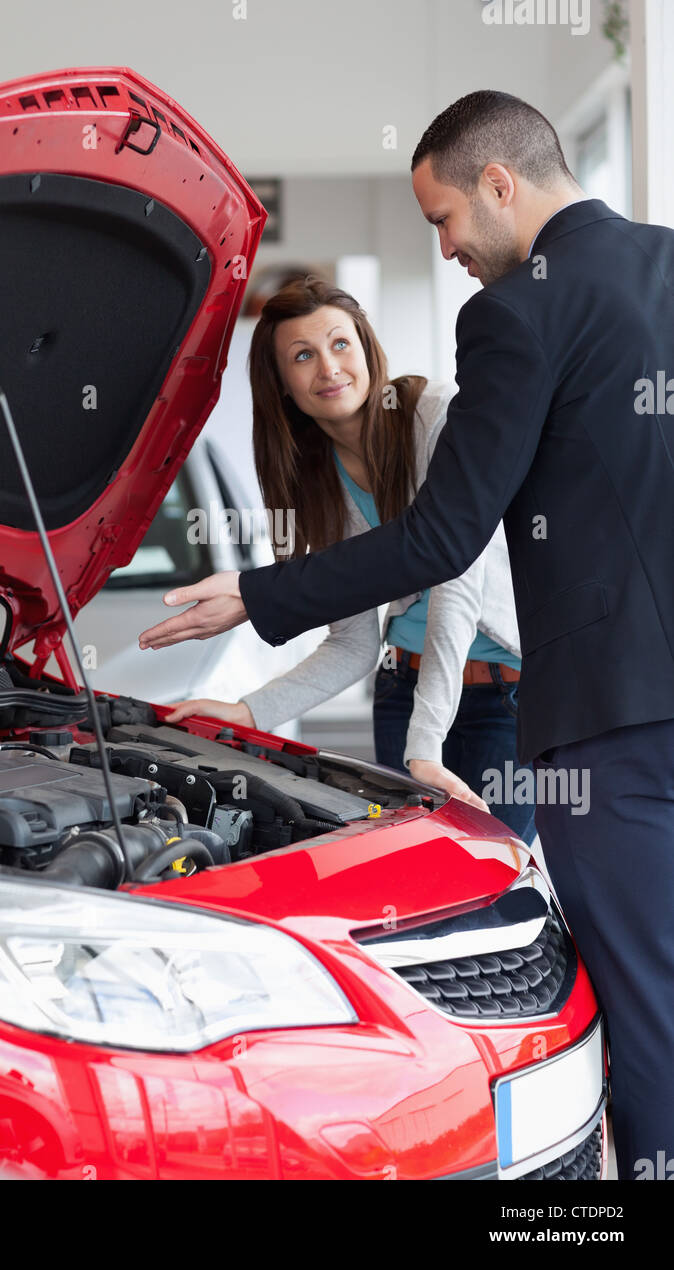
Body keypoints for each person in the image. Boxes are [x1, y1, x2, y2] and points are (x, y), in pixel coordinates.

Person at [139, 90, 674, 1178]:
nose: (444, 252)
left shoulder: (516, 310)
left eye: (443, 220)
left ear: (498, 183)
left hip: (609, 732)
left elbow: (443, 538)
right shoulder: (664, 263)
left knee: (647, 1013)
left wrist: (255, 591)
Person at [164, 274, 535, 840]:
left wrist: (425, 744)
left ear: (366, 347)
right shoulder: (315, 479)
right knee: (410, 883)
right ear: (282, 384)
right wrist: (249, 711)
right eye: (303, 356)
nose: (329, 368)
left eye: (340, 344)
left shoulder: (436, 416)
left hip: (502, 698)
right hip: (401, 693)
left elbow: (456, 579)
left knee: (494, 874)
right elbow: (354, 643)